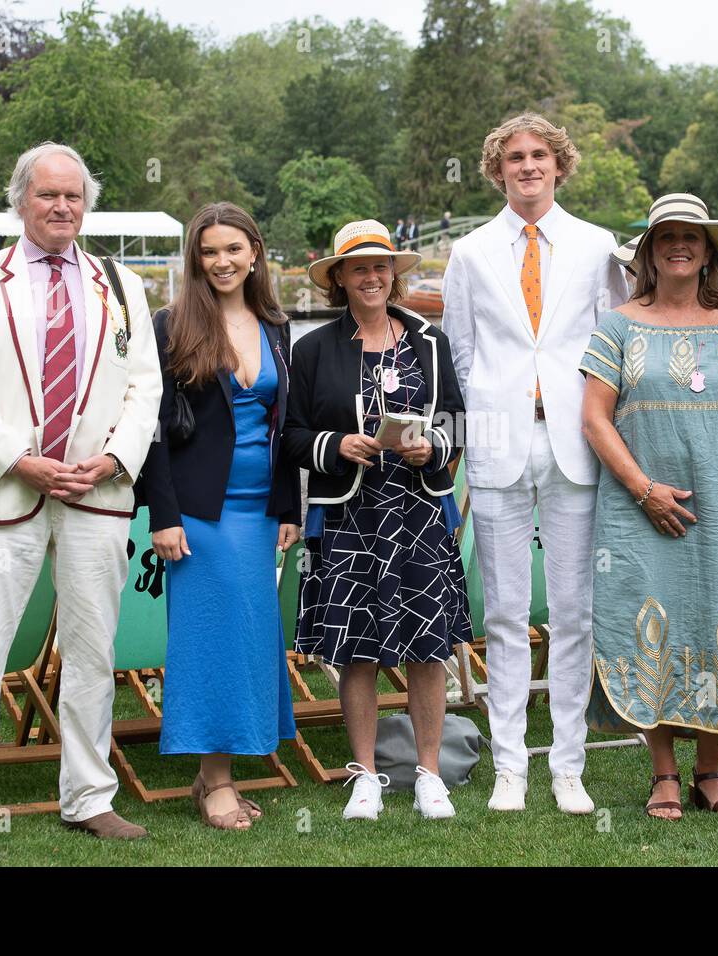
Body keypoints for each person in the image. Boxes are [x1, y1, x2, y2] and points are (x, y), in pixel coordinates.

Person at [0, 142, 162, 862]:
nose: (62, 207)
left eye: (74, 196)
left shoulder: (121, 284)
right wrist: (22, 460)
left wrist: (115, 460)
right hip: (6, 492)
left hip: (96, 495)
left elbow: (144, 386)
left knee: (94, 655)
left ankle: (88, 798)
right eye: (48, 195)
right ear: (20, 199)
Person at [442, 112, 628, 814]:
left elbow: (613, 341)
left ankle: (569, 766)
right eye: (514, 157)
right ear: (497, 170)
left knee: (576, 611)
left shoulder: (595, 244)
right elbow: (461, 353)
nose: (528, 166)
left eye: (539, 155)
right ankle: (511, 768)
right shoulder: (470, 252)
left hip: (575, 445)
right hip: (497, 448)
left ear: (560, 164)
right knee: (506, 613)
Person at [283, 219, 471, 821]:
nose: (372, 276)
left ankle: (429, 773)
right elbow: (288, 437)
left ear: (395, 274)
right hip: (348, 513)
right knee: (355, 648)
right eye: (359, 267)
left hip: (417, 508)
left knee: (428, 646)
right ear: (338, 277)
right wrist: (336, 444)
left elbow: (460, 424)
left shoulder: (430, 342)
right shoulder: (311, 348)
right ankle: (364, 774)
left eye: (381, 266)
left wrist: (432, 448)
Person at [580, 194, 718, 821]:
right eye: (666, 237)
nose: (679, 245)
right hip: (636, 506)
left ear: (709, 250)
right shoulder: (617, 324)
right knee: (644, 623)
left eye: (692, 236)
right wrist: (643, 487)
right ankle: (663, 774)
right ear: (650, 251)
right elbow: (594, 418)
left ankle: (710, 772)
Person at [136, 202, 301, 831]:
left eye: (233, 249)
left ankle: (210, 779)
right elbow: (151, 428)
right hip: (199, 512)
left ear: (254, 252)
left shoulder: (277, 326)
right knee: (213, 642)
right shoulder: (171, 324)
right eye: (209, 251)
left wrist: (289, 505)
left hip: (261, 512)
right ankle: (220, 782)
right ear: (195, 259)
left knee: (252, 637)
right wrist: (164, 515)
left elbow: (287, 425)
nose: (222, 261)